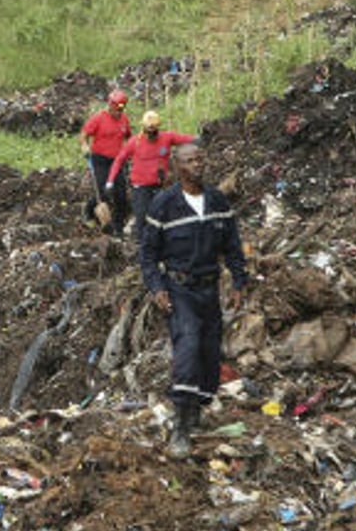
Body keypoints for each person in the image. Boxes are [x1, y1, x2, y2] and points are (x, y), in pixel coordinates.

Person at [140, 144, 248, 459]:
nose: (197, 164)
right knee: (187, 346)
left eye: (200, 158)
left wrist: (239, 280)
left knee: (209, 353)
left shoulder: (217, 201)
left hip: (209, 289)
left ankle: (197, 410)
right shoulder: (164, 205)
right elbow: (147, 253)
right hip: (179, 290)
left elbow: (232, 245)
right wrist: (157, 287)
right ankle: (180, 427)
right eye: (189, 161)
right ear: (177, 167)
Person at [106, 110, 195, 243]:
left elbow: (185, 139)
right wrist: (110, 181)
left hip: (160, 185)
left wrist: (198, 139)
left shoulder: (166, 138)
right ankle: (143, 246)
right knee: (142, 217)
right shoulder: (134, 142)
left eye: (154, 130)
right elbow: (119, 160)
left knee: (164, 215)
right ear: (144, 128)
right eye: (149, 131)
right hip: (140, 187)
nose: (151, 134)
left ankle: (166, 243)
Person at [80, 89, 131, 233]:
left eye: (121, 108)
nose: (118, 112)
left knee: (121, 194)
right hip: (100, 160)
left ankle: (118, 227)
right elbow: (84, 135)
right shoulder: (98, 119)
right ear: (110, 105)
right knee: (102, 192)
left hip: (117, 161)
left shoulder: (124, 119)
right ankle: (89, 212)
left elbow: (128, 137)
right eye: (116, 108)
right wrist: (84, 146)